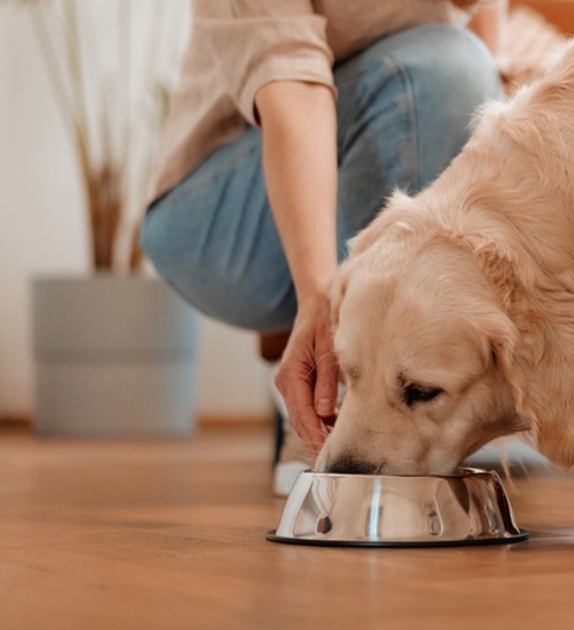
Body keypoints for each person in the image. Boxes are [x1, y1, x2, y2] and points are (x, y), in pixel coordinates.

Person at [140, 0, 505, 487]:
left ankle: (363, 396)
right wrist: (321, 298)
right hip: (217, 218)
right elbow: (293, 85)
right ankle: (332, 405)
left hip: (396, 114)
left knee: (462, 67)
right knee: (442, 69)